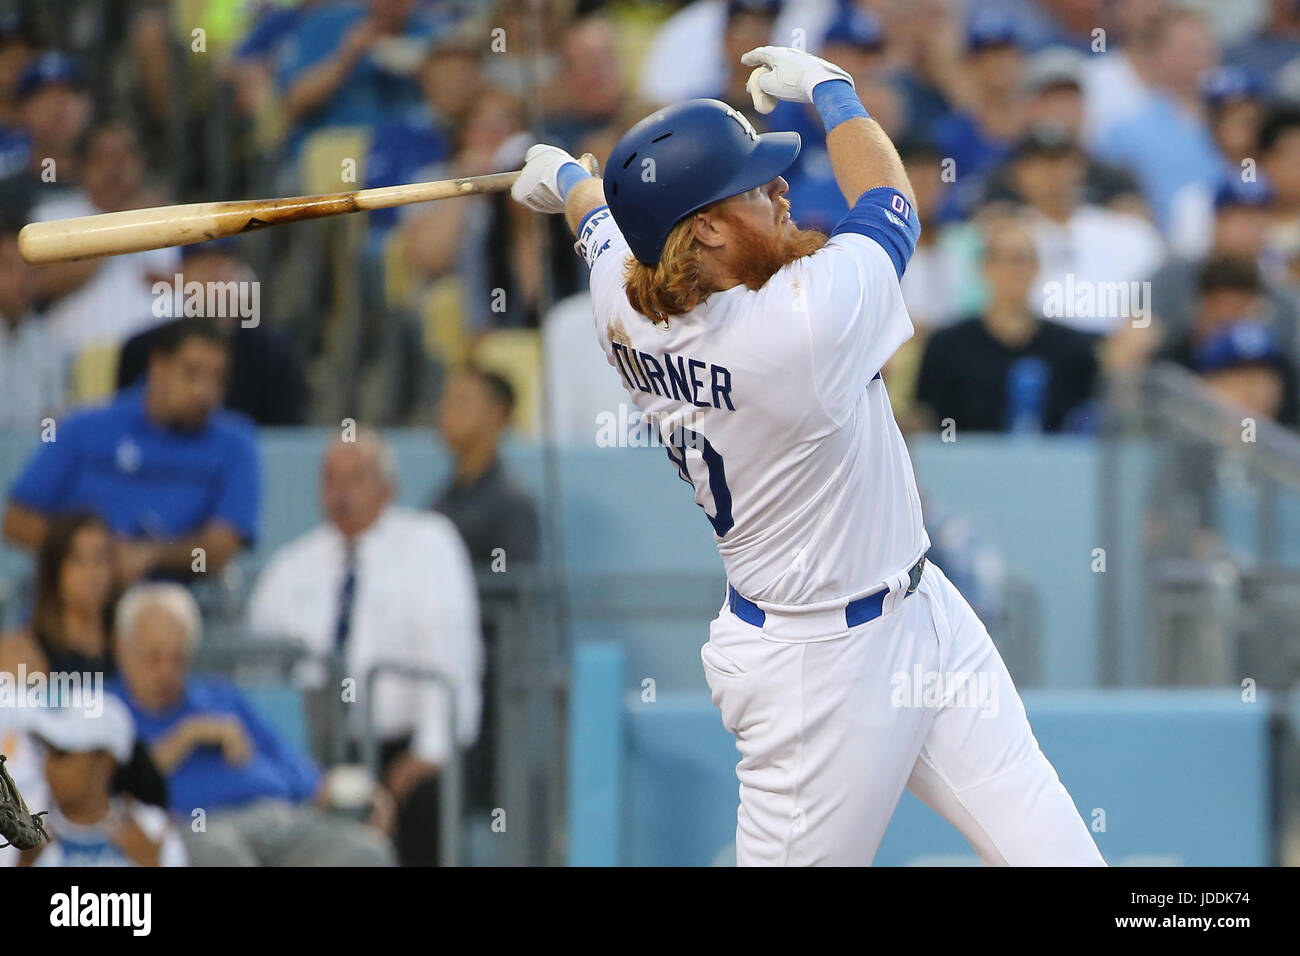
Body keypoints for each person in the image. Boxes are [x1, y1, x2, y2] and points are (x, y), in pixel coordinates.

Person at [508, 45, 1104, 866]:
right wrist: (835, 91)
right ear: (708, 230)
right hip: (816, 668)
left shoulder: (624, 305)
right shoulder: (801, 327)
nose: (783, 188)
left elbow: (603, 233)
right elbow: (891, 199)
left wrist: (572, 183)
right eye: (755, 186)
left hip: (920, 606)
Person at [247, 429, 482, 865]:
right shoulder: (291, 566)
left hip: (401, 748)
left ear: (387, 487)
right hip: (315, 751)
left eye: (356, 479)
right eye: (331, 480)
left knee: (425, 804)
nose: (342, 492)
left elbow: (451, 652)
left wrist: (427, 752)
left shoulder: (428, 544)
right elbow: (260, 667)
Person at [111, 582, 395, 867]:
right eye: (153, 657)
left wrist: (362, 791)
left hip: (280, 819)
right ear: (123, 649)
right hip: (196, 828)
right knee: (219, 854)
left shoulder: (222, 696)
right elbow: (110, 788)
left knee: (365, 851)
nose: (167, 672)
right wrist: (188, 735)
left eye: (178, 658)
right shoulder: (107, 710)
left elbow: (302, 774)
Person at [3, 318, 260, 585]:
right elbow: (17, 521)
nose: (204, 391)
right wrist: (93, 557)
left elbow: (222, 547)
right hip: (74, 593)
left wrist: (152, 555)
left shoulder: (235, 442)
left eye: (217, 378)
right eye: (191, 373)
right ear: (157, 366)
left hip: (176, 595)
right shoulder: (83, 427)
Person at [915, 219, 1099, 434]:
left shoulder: (1072, 349)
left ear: (1037, 268)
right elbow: (926, 419)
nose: (1016, 271)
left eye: (1023, 260)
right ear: (985, 268)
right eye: (1006, 260)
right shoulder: (946, 346)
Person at [115, 243, 309, 426]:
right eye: (202, 268)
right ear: (180, 274)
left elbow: (288, 440)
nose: (214, 280)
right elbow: (123, 424)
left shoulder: (273, 352)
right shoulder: (142, 347)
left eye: (222, 268)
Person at [23, 696, 187, 867]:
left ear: (105, 762)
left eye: (62, 754)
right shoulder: (21, 829)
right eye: (45, 751)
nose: (48, 766)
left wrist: (151, 863)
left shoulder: (153, 829)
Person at [433, 366, 540, 567]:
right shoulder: (445, 497)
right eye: (445, 401)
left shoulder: (511, 505)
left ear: (497, 413)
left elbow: (511, 590)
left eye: (461, 402)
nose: (444, 412)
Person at [0, 214, 65, 431]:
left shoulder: (50, 344)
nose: (20, 280)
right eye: (7, 267)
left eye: (28, 270)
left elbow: (53, 423)